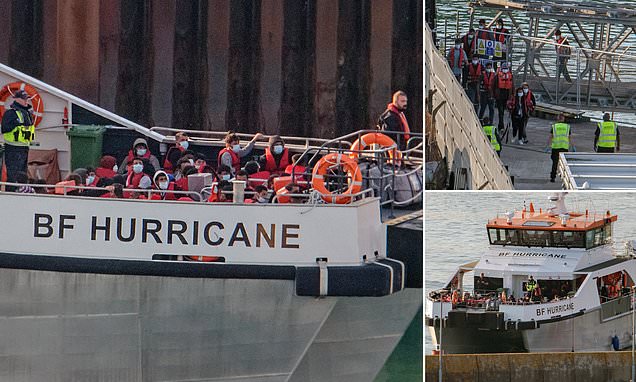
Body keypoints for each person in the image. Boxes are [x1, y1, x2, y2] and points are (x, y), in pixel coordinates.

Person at [1, 90, 35, 190]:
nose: (26, 101)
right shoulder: (11, 113)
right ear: (17, 99)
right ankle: (11, 195)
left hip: (24, 148)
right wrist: (16, 124)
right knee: (13, 176)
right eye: (24, 99)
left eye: (27, 99)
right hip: (13, 149)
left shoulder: (27, 113)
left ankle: (21, 193)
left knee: (22, 176)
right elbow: (5, 128)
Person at [548, 114, 573, 183]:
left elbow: (550, 136)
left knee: (555, 163)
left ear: (557, 119)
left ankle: (552, 178)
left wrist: (548, 146)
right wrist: (572, 146)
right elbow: (570, 137)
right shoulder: (567, 127)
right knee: (564, 164)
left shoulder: (554, 126)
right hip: (564, 148)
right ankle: (564, 178)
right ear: (563, 119)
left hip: (555, 147)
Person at [494, 61, 513, 131]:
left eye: (506, 68)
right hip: (499, 96)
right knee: (500, 112)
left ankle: (502, 125)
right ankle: (501, 126)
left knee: (504, 111)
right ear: (501, 69)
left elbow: (512, 86)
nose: (505, 69)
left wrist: (512, 95)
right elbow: (493, 85)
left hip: (506, 96)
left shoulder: (510, 75)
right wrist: (493, 95)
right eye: (504, 68)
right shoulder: (497, 76)